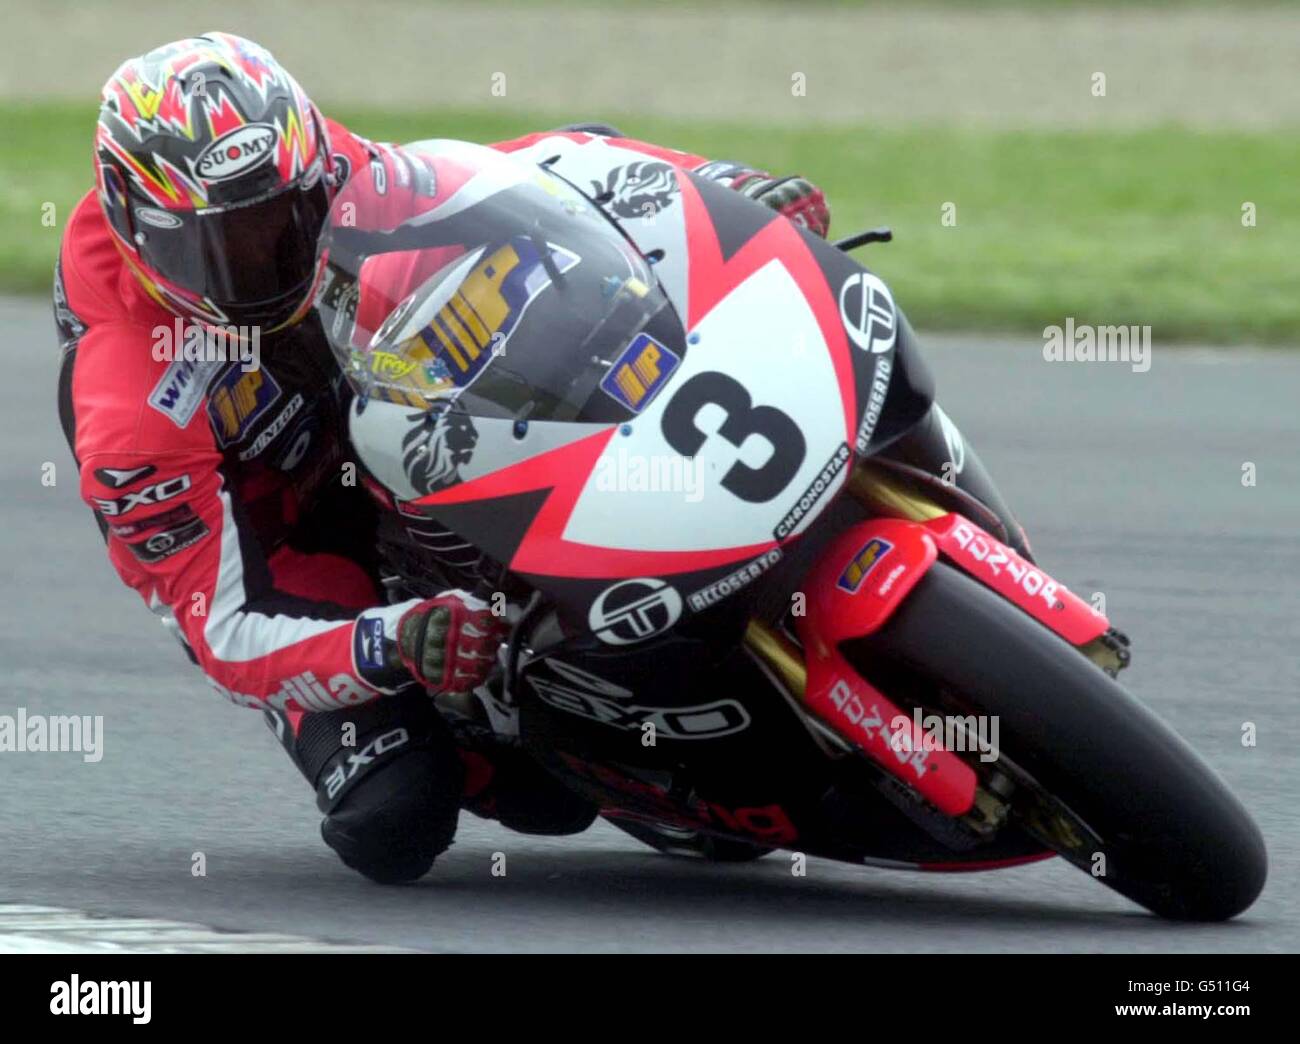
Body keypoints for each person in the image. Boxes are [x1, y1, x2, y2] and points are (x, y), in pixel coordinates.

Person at [55, 32, 831, 883]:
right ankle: (488, 728)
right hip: (283, 538)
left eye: (285, 222)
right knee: (409, 817)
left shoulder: (318, 164)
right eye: (220, 246)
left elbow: (526, 172)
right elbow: (225, 630)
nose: (263, 262)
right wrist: (395, 644)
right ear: (141, 230)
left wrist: (721, 190)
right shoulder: (129, 411)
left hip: (377, 411)